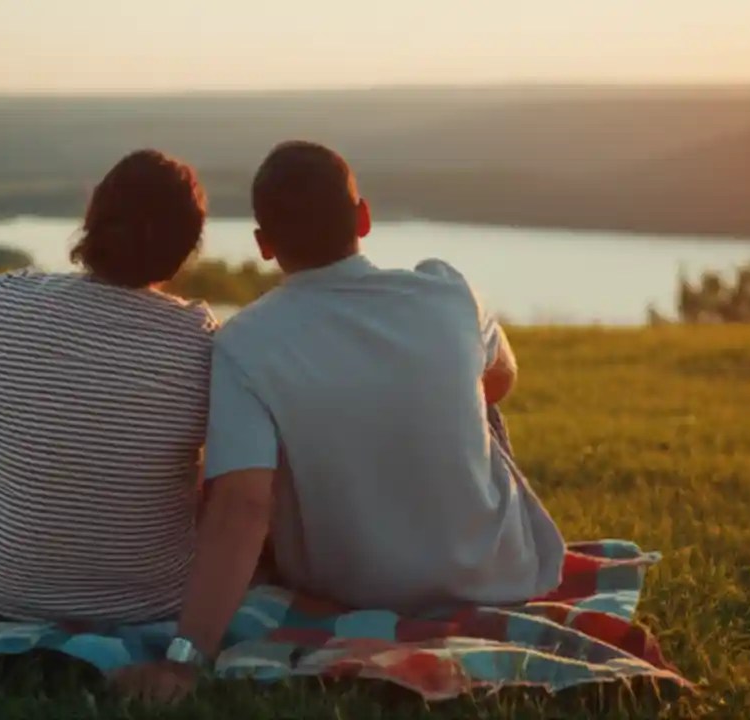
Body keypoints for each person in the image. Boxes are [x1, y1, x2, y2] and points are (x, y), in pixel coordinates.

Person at [115, 141, 565, 702]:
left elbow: (242, 505)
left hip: (349, 585)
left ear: (264, 245)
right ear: (364, 217)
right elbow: (499, 382)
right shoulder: (448, 293)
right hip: (498, 578)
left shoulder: (245, 343)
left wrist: (185, 657)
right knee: (477, 402)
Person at [0, 149, 217, 622]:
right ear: (187, 246)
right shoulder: (200, 336)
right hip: (151, 605)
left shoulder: (2, 299)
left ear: (92, 220)